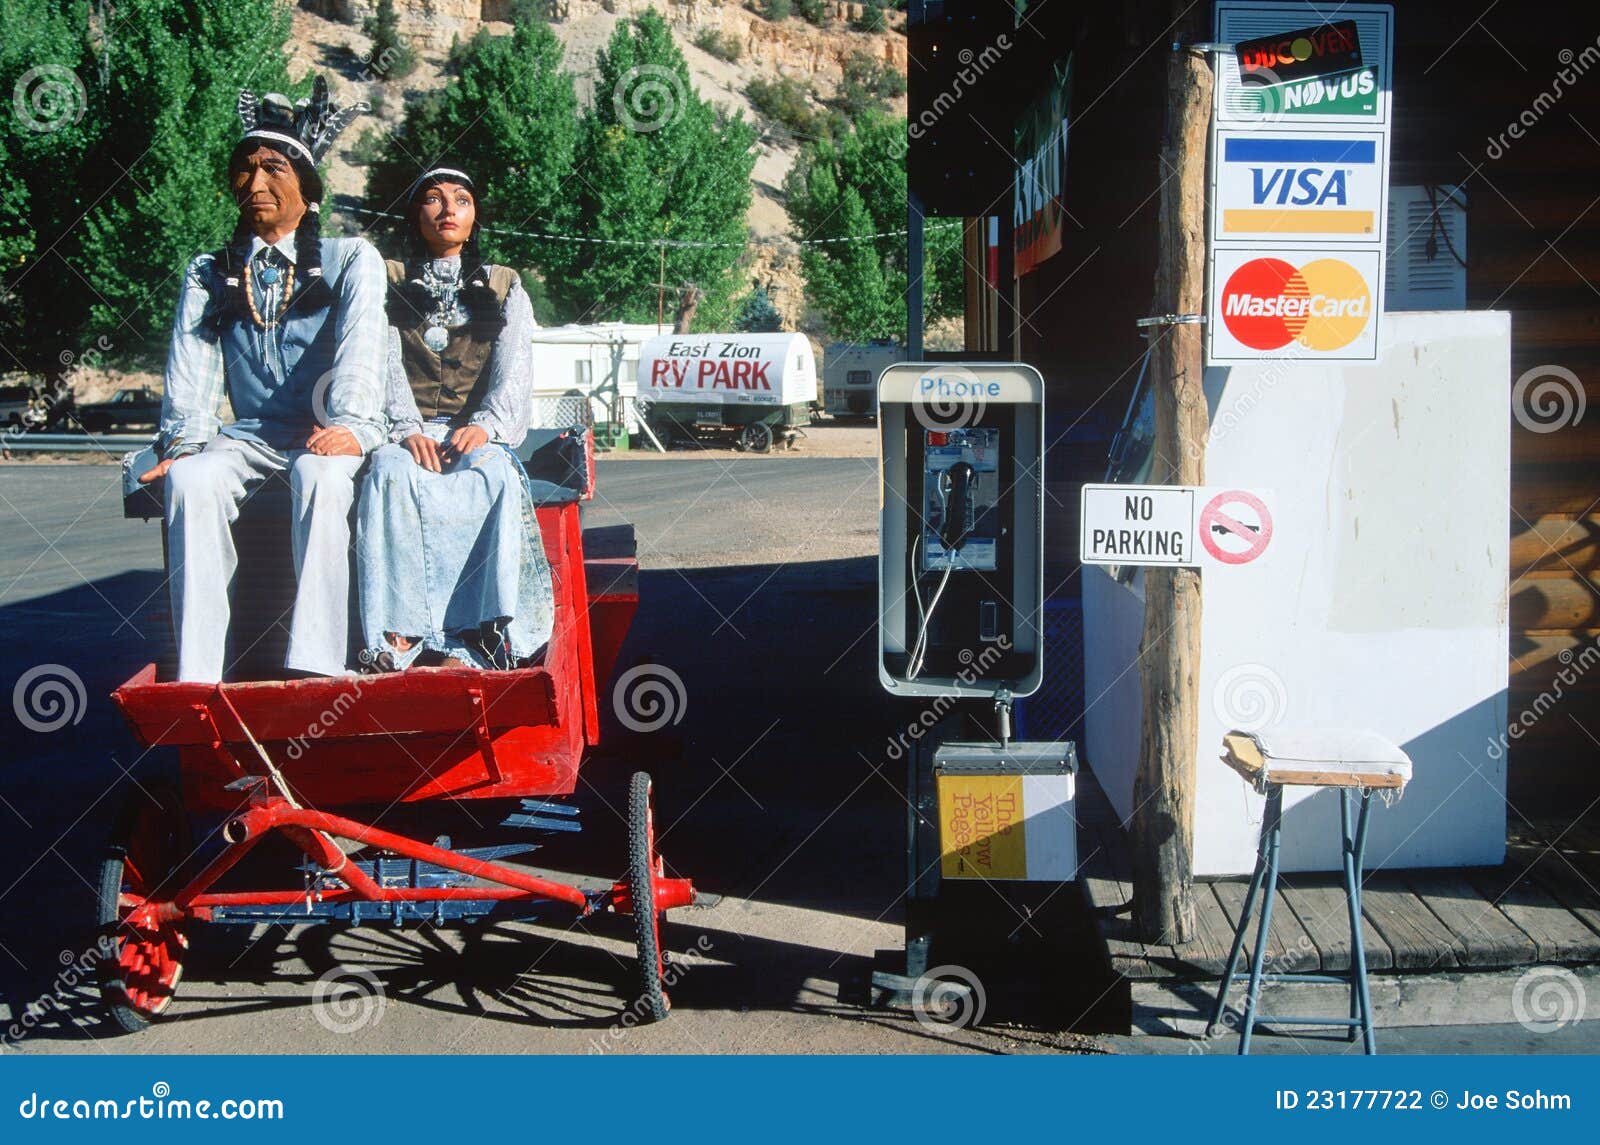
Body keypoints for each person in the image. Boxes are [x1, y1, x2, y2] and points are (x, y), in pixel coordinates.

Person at [137, 77, 384, 684]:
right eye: (244, 171)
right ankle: (196, 673)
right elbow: (191, 366)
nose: (255, 184)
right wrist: (185, 443)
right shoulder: (210, 269)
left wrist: (351, 426)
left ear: (308, 185)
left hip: (325, 432)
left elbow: (362, 349)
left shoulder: (351, 258)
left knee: (319, 476)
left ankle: (318, 662)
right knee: (192, 480)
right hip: (246, 436)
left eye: (273, 168)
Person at [356, 165, 554, 672]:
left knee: (492, 476)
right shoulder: (383, 279)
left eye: (461, 200)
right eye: (434, 199)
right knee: (389, 476)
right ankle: (397, 635)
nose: (448, 210)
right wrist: (404, 429)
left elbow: (513, 371)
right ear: (414, 212)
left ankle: (482, 634)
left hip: (474, 428)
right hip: (406, 429)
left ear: (474, 217)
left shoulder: (505, 285)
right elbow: (379, 360)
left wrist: (485, 425)